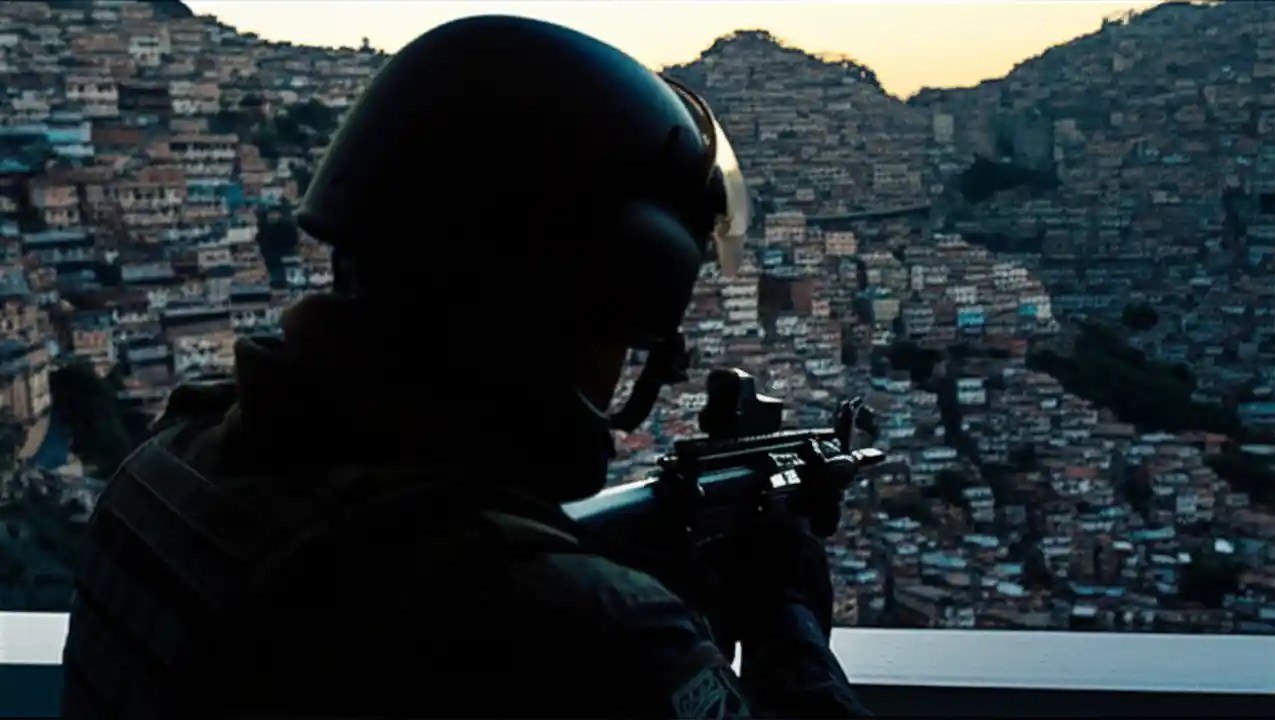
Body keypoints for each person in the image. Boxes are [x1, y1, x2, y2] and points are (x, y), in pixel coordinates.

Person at [60, 15, 872, 719]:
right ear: (585, 298)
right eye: (624, 331)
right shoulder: (577, 627)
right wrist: (788, 620)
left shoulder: (161, 469)